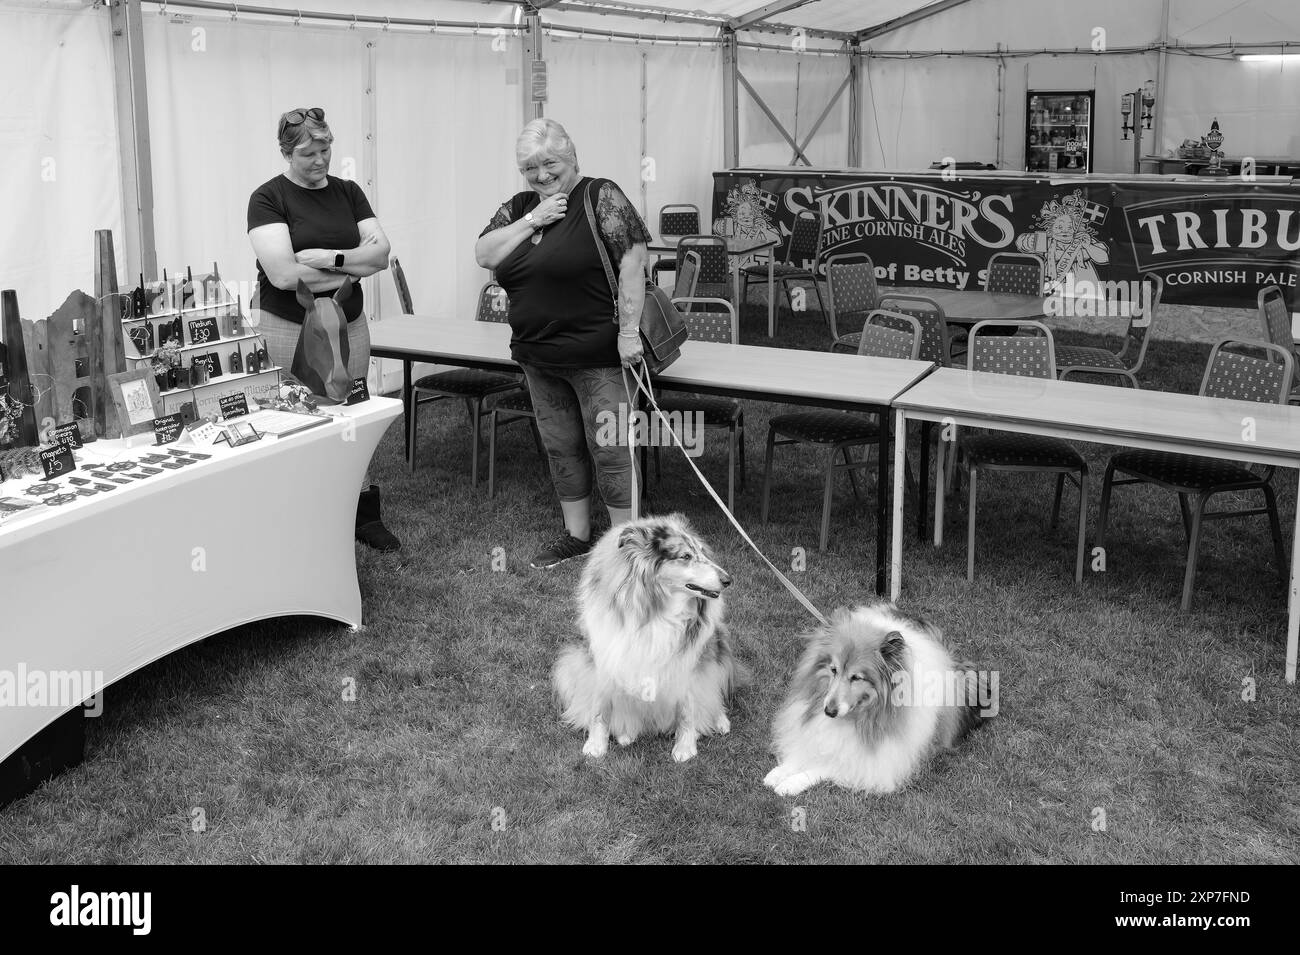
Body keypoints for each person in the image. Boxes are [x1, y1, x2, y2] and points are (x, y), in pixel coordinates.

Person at [475, 118, 652, 569]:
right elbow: (485, 255)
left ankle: (626, 545)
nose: (541, 175)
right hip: (537, 354)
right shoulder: (519, 206)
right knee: (561, 445)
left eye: (549, 163)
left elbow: (633, 262)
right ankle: (577, 536)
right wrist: (534, 218)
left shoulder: (600, 195)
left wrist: (629, 333)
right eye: (530, 168)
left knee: (610, 448)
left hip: (598, 355)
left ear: (571, 156)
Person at [247, 107, 400, 552]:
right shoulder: (268, 198)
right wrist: (352, 266)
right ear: (286, 152)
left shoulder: (349, 192)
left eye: (326, 148)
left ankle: (363, 512)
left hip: (347, 322)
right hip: (288, 325)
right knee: (292, 411)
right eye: (308, 153)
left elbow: (381, 257)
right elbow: (282, 276)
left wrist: (326, 259)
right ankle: (299, 507)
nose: (320, 160)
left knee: (353, 404)